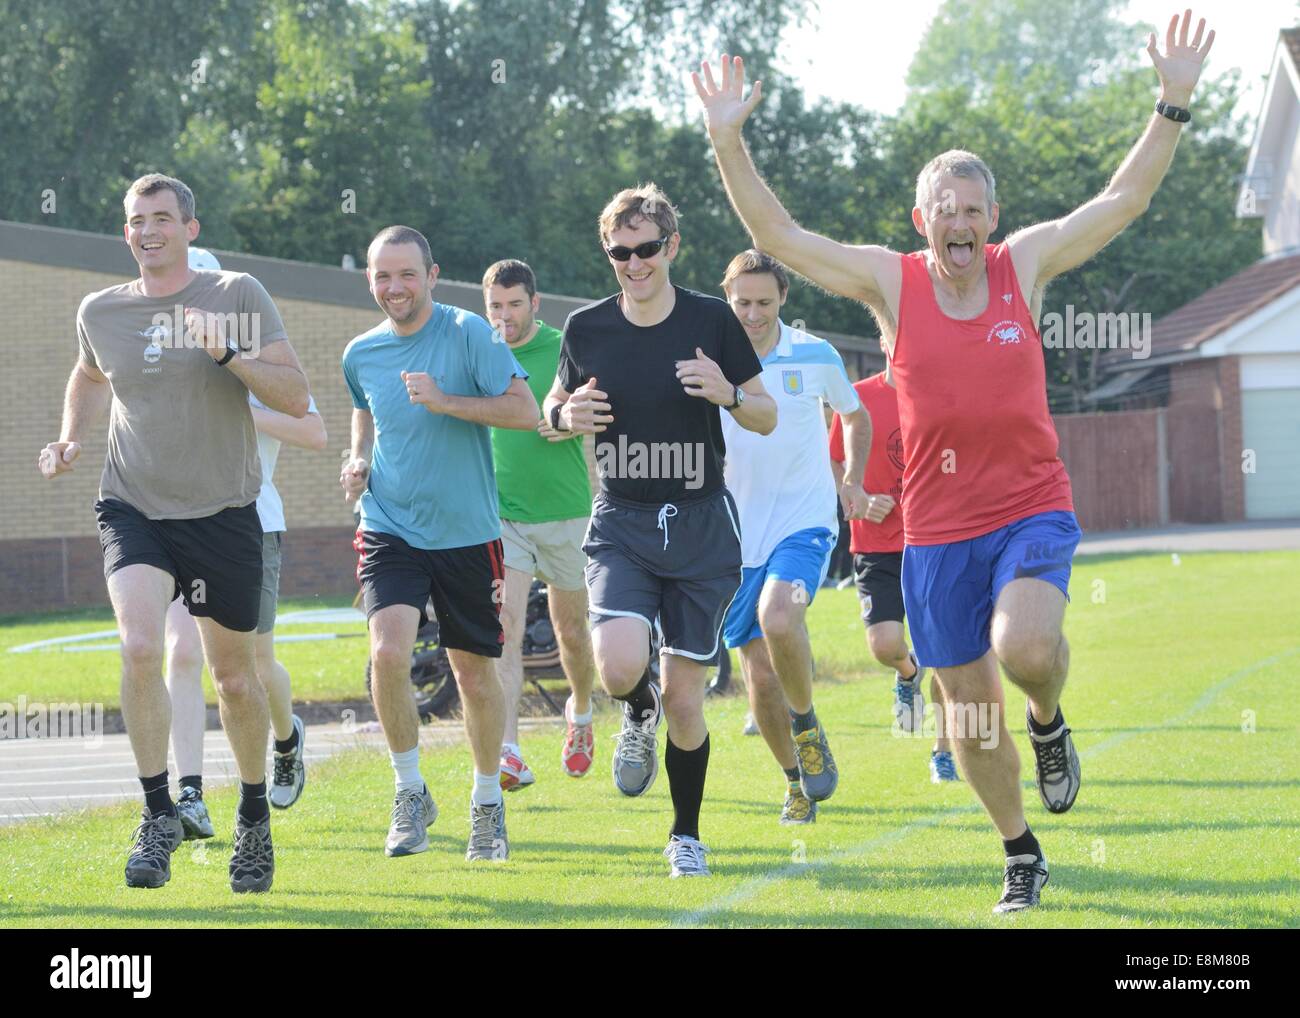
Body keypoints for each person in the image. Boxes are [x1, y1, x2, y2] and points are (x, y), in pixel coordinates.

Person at [693, 11, 1215, 910]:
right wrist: (726, 137)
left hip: (1029, 508)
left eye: (975, 210)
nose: (962, 224)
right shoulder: (891, 282)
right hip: (935, 537)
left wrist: (1170, 102)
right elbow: (778, 237)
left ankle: (1048, 723)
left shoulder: (1027, 265)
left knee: (1026, 647)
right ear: (922, 221)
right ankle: (1020, 850)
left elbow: (1121, 203)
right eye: (947, 212)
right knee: (969, 718)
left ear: (994, 218)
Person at [38, 174, 311, 893]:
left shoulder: (238, 295)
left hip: (223, 512)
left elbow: (296, 395)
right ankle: (159, 812)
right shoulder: (102, 310)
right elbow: (91, 374)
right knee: (138, 644)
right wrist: (69, 437)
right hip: (133, 505)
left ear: (191, 228)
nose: (148, 229)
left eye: (162, 217)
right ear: (125, 232)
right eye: (136, 220)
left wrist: (228, 354)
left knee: (233, 679)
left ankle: (253, 818)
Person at [542, 184, 777, 877]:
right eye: (621, 252)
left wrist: (728, 393)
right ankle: (633, 712)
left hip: (702, 526)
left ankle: (685, 836)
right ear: (608, 253)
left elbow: (764, 413)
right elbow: (552, 407)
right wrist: (562, 418)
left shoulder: (713, 321)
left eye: (647, 249)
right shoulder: (586, 328)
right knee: (618, 665)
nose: (635, 262)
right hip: (621, 519)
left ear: (671, 247)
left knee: (685, 696)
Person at [341, 226, 537, 862]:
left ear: (431, 275)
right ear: (370, 280)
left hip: (466, 532)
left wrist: (447, 401)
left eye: (406, 274)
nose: (394, 287)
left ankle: (486, 803)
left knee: (473, 676)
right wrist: (358, 456)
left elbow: (524, 410)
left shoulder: (467, 333)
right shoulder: (360, 352)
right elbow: (365, 407)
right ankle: (409, 791)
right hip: (389, 524)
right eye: (381, 276)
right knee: (388, 651)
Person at [163, 246, 328, 840]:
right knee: (183, 655)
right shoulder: (163, 368)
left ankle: (287, 736)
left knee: (254, 669)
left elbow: (315, 429)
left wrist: (239, 412)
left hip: (252, 524)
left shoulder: (254, 360)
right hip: (178, 527)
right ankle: (190, 795)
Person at [717, 250, 870, 825]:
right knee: (758, 672)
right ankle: (794, 780)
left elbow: (854, 415)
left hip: (804, 523)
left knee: (780, 616)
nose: (753, 314)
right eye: (742, 303)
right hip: (732, 538)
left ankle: (807, 723)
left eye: (763, 302)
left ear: (783, 298)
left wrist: (850, 478)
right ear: (728, 299)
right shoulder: (710, 358)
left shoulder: (814, 354)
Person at [483, 259, 597, 790]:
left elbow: (601, 408)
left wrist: (568, 420)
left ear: (535, 303)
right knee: (502, 626)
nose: (504, 317)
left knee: (571, 632)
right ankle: (509, 751)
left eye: (514, 305)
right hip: (502, 514)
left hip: (568, 512)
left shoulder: (568, 343)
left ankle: (579, 711)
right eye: (495, 307)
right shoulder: (480, 349)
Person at [828, 344, 960, 784]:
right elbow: (834, 459)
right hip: (876, 546)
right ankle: (908, 673)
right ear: (884, 343)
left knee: (944, 651)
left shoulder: (945, 397)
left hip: (936, 543)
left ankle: (943, 753)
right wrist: (858, 500)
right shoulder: (854, 398)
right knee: (885, 644)